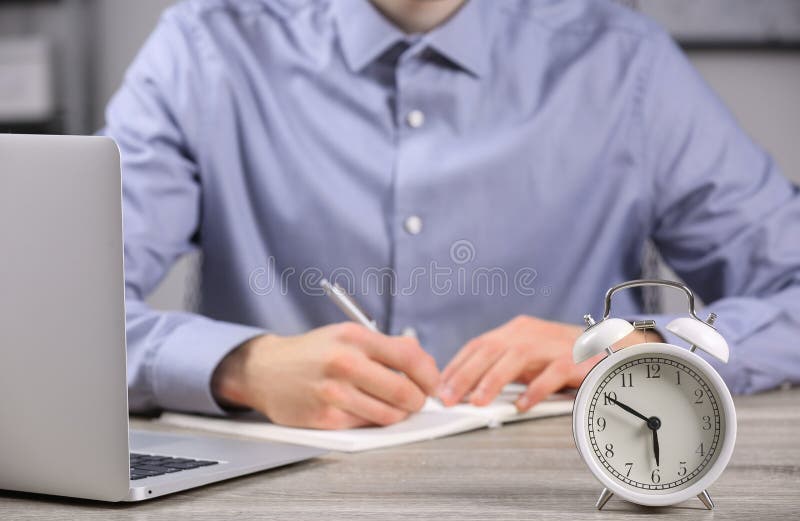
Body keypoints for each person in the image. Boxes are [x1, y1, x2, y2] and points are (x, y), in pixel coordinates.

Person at [105, 0, 800, 429]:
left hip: (565, 503)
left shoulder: (628, 66)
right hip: (263, 503)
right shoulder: (201, 51)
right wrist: (239, 367)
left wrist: (639, 348)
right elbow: (57, 312)